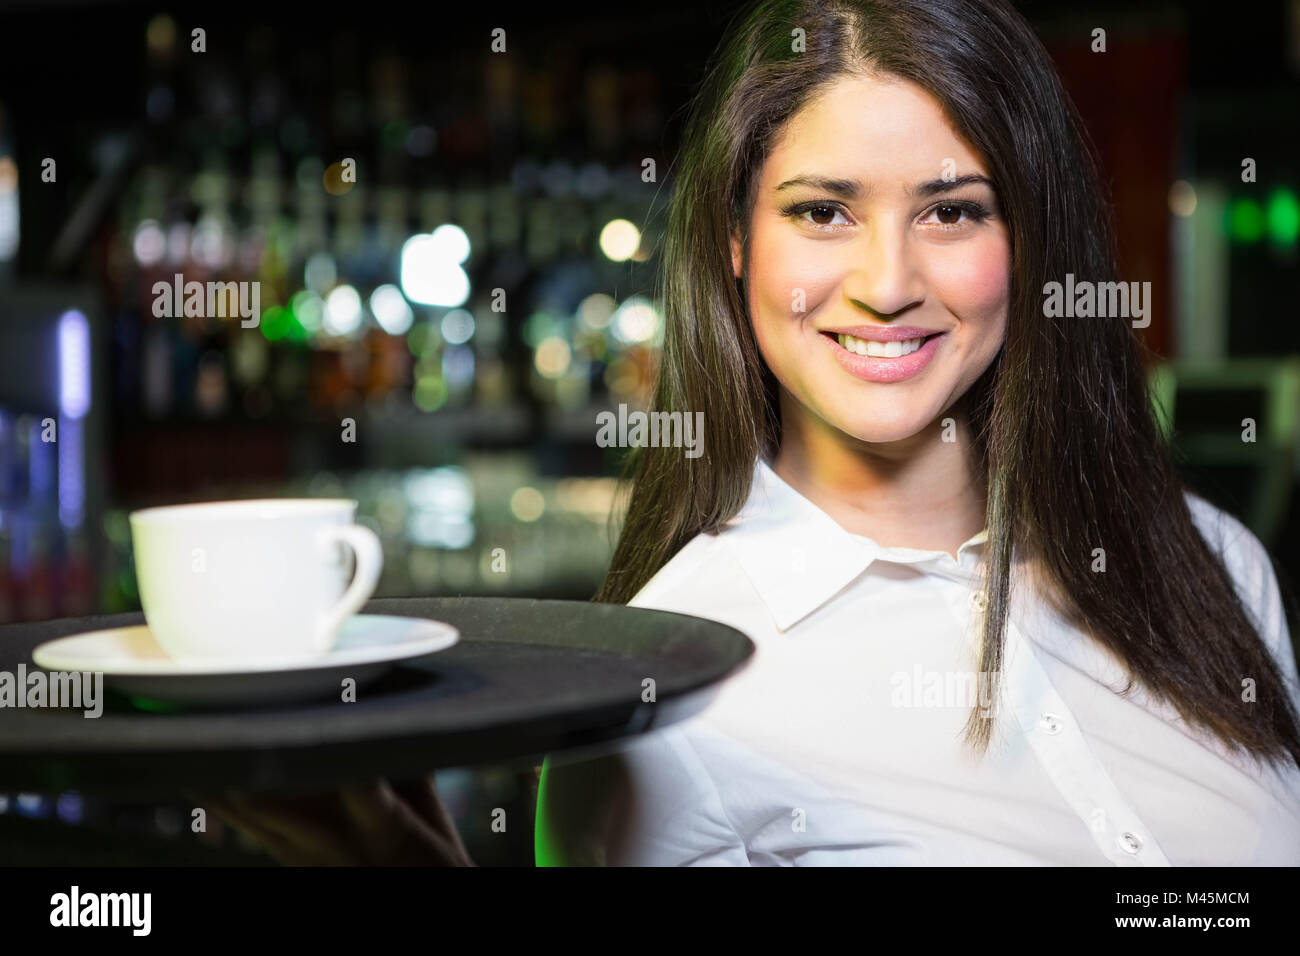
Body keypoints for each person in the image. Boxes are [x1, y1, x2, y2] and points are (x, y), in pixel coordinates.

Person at [211, 0, 1300, 865]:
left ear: (1030, 236)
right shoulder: (667, 692)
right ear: (735, 241)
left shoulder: (1210, 563)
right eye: (823, 210)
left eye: (953, 209)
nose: (887, 283)